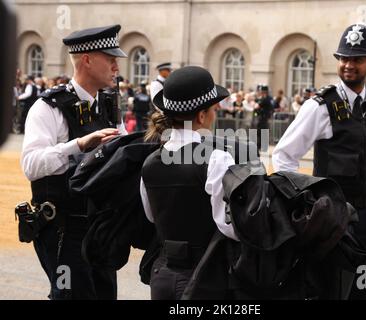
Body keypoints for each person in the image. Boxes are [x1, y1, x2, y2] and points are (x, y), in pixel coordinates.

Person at [272, 24, 366, 300]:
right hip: (336, 219)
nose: (348, 65)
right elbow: (284, 156)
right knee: (331, 291)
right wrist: (306, 201)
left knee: (365, 290)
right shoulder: (320, 106)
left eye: (356, 59)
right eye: (344, 58)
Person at [20, 24, 128, 300]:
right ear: (87, 60)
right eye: (110, 58)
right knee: (69, 295)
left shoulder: (108, 106)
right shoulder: (48, 107)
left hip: (100, 227)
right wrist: (78, 145)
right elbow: (31, 165)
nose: (116, 66)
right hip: (63, 230)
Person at [140, 66, 238, 300]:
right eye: (214, 109)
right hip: (205, 277)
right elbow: (230, 227)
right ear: (202, 116)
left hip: (162, 276)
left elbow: (152, 216)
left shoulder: (149, 162)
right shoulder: (217, 158)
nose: (215, 115)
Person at [253, 84, 273, 151]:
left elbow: (256, 106)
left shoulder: (265, 99)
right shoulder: (268, 98)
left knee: (260, 132)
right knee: (262, 132)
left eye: (261, 91)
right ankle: (261, 146)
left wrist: (255, 105)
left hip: (262, 118)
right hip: (264, 118)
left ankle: (259, 147)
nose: (260, 92)